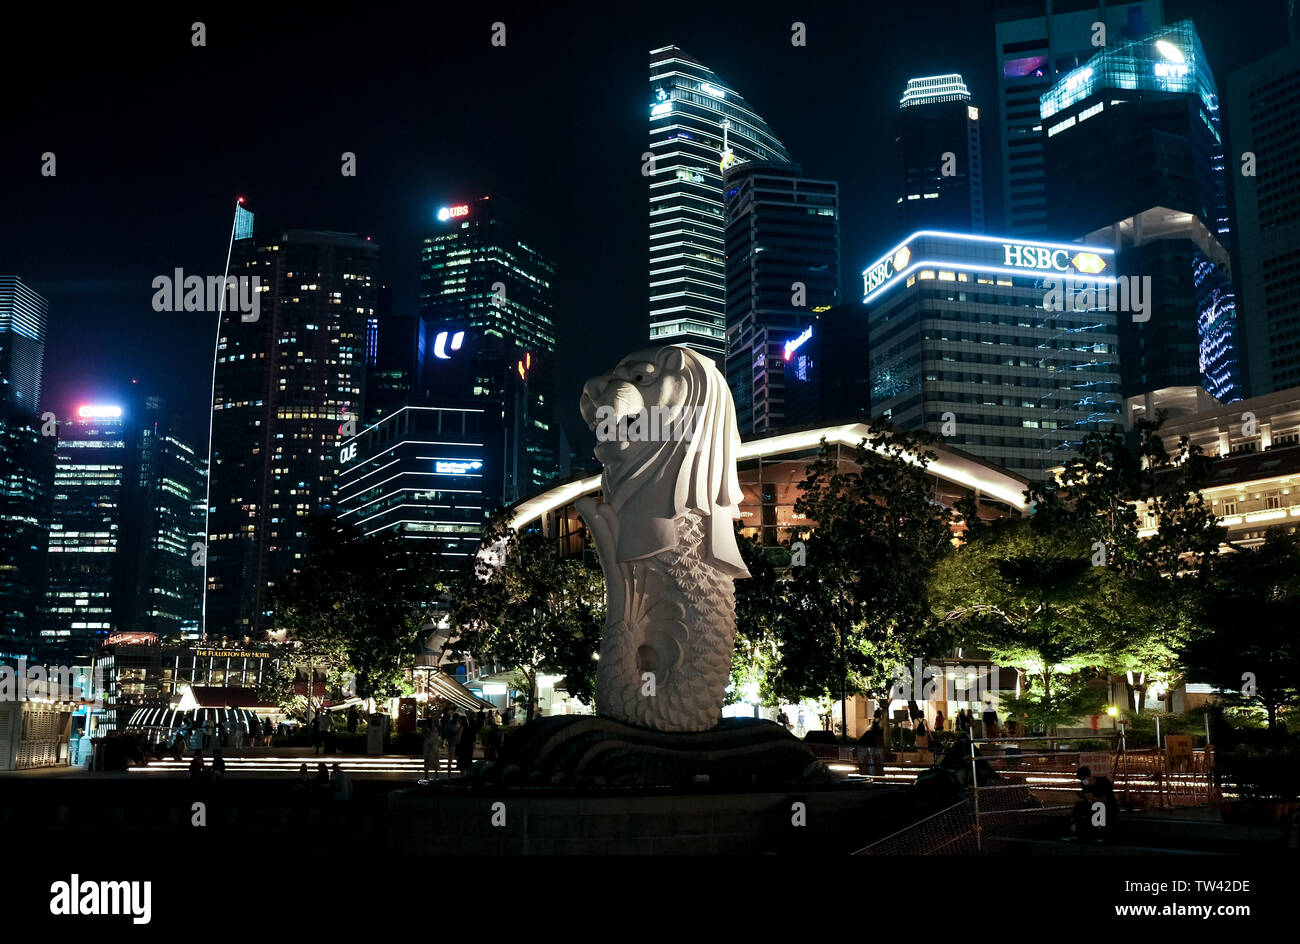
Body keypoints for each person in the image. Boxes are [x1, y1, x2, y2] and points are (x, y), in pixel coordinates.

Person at [441, 709, 462, 776]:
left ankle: (454, 772)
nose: (457, 720)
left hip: (457, 743)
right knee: (450, 758)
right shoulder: (449, 724)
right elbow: (447, 734)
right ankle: (449, 774)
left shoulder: (456, 724)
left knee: (454, 758)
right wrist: (457, 732)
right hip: (452, 743)